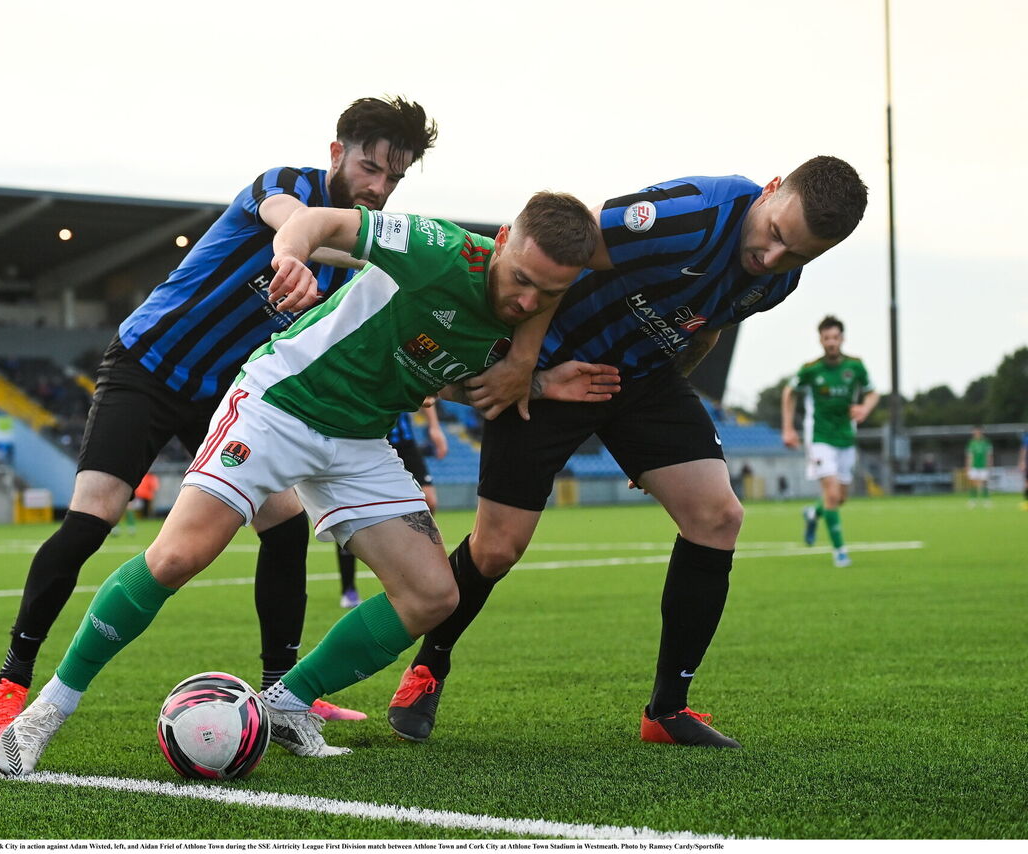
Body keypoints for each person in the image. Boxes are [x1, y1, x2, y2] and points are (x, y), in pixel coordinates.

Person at [0, 192, 617, 775]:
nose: (529, 302)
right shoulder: (438, 248)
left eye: (549, 292)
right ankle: (47, 710)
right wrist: (290, 256)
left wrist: (537, 380)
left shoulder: (528, 323)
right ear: (503, 241)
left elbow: (459, 381)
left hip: (360, 441)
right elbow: (322, 222)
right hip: (279, 405)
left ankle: (286, 703)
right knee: (180, 554)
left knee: (434, 597)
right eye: (522, 280)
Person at [0, 96, 440, 744]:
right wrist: (301, 253)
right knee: (95, 517)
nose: (378, 187)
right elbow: (293, 222)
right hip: (149, 363)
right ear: (337, 153)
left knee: (285, 524)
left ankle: (281, 693)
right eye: (370, 167)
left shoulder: (356, 255)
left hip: (221, 394)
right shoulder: (285, 187)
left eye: (393, 178)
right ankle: (13, 680)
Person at [386, 156, 869, 750]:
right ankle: (429, 665)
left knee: (718, 516)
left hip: (639, 381)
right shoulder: (690, 216)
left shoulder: (778, 280)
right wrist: (521, 365)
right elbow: (562, 258)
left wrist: (656, 446)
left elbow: (708, 326)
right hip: (555, 366)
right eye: (774, 236)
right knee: (497, 548)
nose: (773, 260)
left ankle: (667, 710)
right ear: (770, 191)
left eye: (796, 255)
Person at [781, 315, 878, 567]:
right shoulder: (811, 369)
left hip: (846, 436)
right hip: (820, 438)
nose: (831, 342)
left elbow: (872, 392)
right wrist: (788, 428)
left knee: (841, 498)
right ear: (820, 340)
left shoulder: (855, 367)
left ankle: (813, 513)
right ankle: (840, 552)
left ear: (842, 339)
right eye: (827, 338)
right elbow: (789, 391)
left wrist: (864, 408)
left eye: (835, 337)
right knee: (832, 494)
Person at [337, 405, 448, 609]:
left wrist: (434, 427)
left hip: (404, 439)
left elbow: (427, 398)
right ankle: (349, 587)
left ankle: (415, 564)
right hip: (373, 439)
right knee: (351, 511)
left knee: (429, 501)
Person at [965, 426, 993, 508]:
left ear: (981, 433)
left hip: (984, 466)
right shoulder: (971, 443)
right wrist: (968, 466)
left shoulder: (986, 442)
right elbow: (969, 456)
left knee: (984, 483)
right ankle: (972, 500)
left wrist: (990, 465)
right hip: (974, 466)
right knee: (973, 483)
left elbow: (989, 455)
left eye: (978, 432)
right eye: (975, 432)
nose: (976, 434)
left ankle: (986, 500)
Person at [1019, 431, 1028, 511]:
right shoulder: (1026, 438)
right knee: (1026, 483)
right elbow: (1024, 450)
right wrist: (1022, 462)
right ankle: (1026, 503)